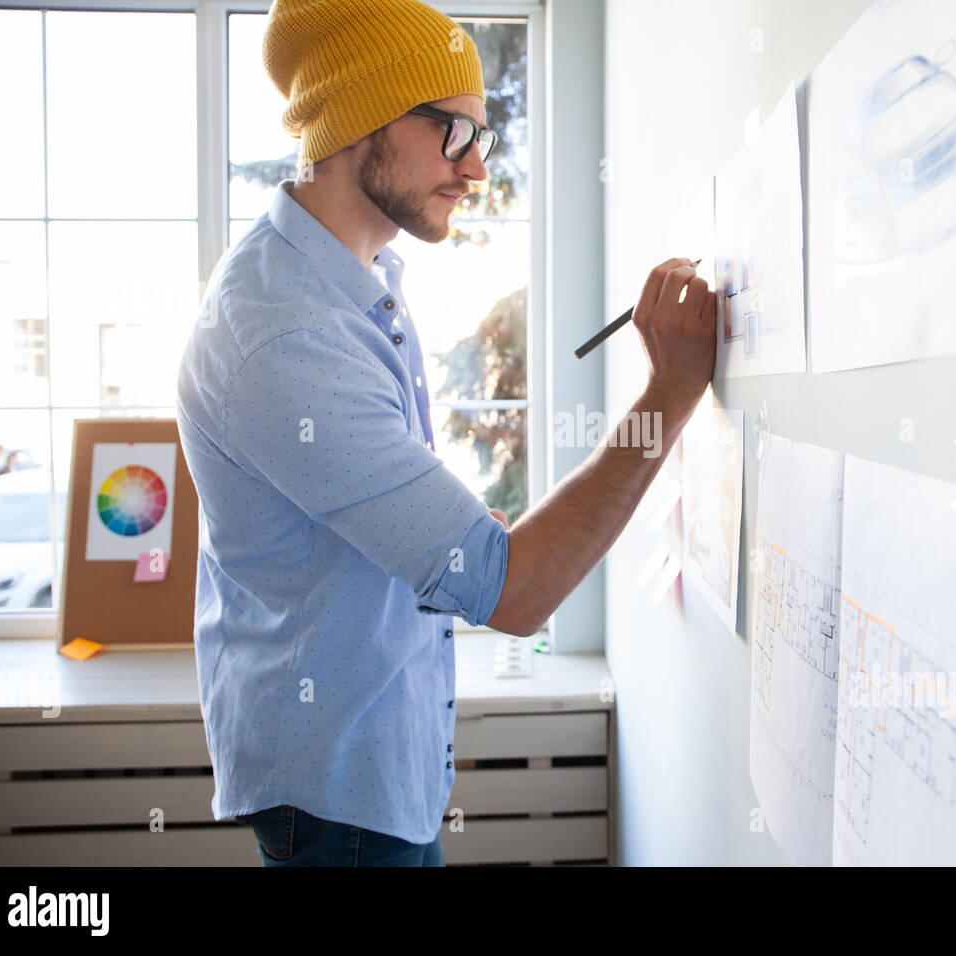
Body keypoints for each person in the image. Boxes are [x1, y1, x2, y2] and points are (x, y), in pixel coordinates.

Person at [175, 0, 715, 867]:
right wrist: (672, 392)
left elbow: (381, 530)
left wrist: (449, 545)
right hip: (339, 800)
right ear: (362, 119)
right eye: (454, 134)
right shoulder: (289, 333)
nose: (475, 172)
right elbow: (516, 594)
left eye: (482, 140)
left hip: (370, 767)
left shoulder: (355, 279)